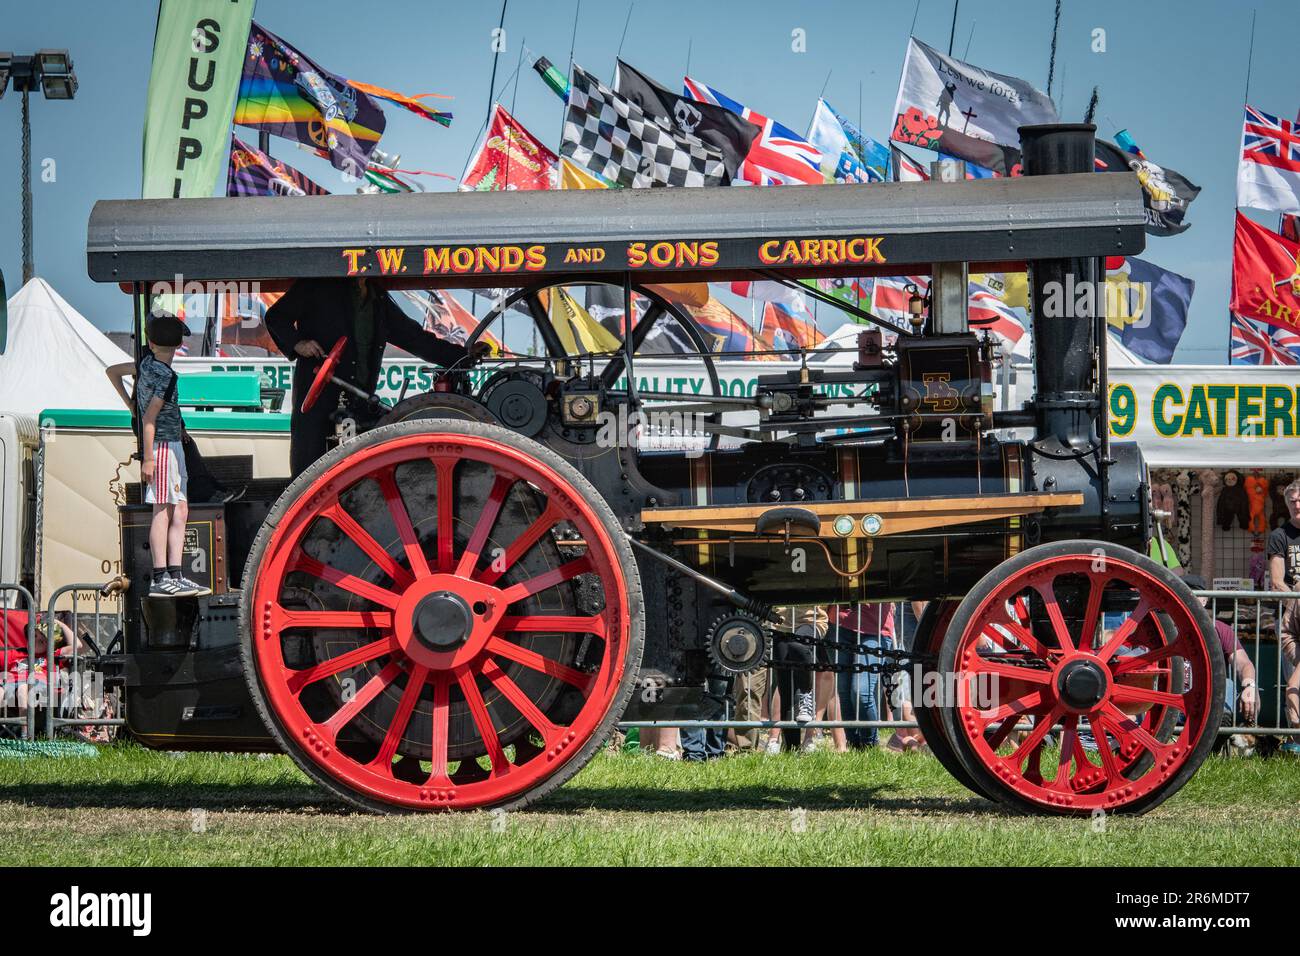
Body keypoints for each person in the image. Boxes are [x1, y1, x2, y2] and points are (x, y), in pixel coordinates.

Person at [266, 278, 487, 478]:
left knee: (358, 469)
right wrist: (297, 344)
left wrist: (463, 357)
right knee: (308, 466)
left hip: (359, 400)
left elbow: (415, 338)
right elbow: (276, 316)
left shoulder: (377, 298)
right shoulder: (316, 285)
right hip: (317, 399)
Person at [106, 312, 211, 599]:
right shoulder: (166, 375)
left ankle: (173, 575)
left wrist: (131, 406)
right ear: (177, 347)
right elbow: (151, 419)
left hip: (169, 444)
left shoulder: (144, 365)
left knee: (178, 509)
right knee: (164, 511)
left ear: (151, 343)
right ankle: (161, 576)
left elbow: (112, 372)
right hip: (164, 447)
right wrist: (149, 457)